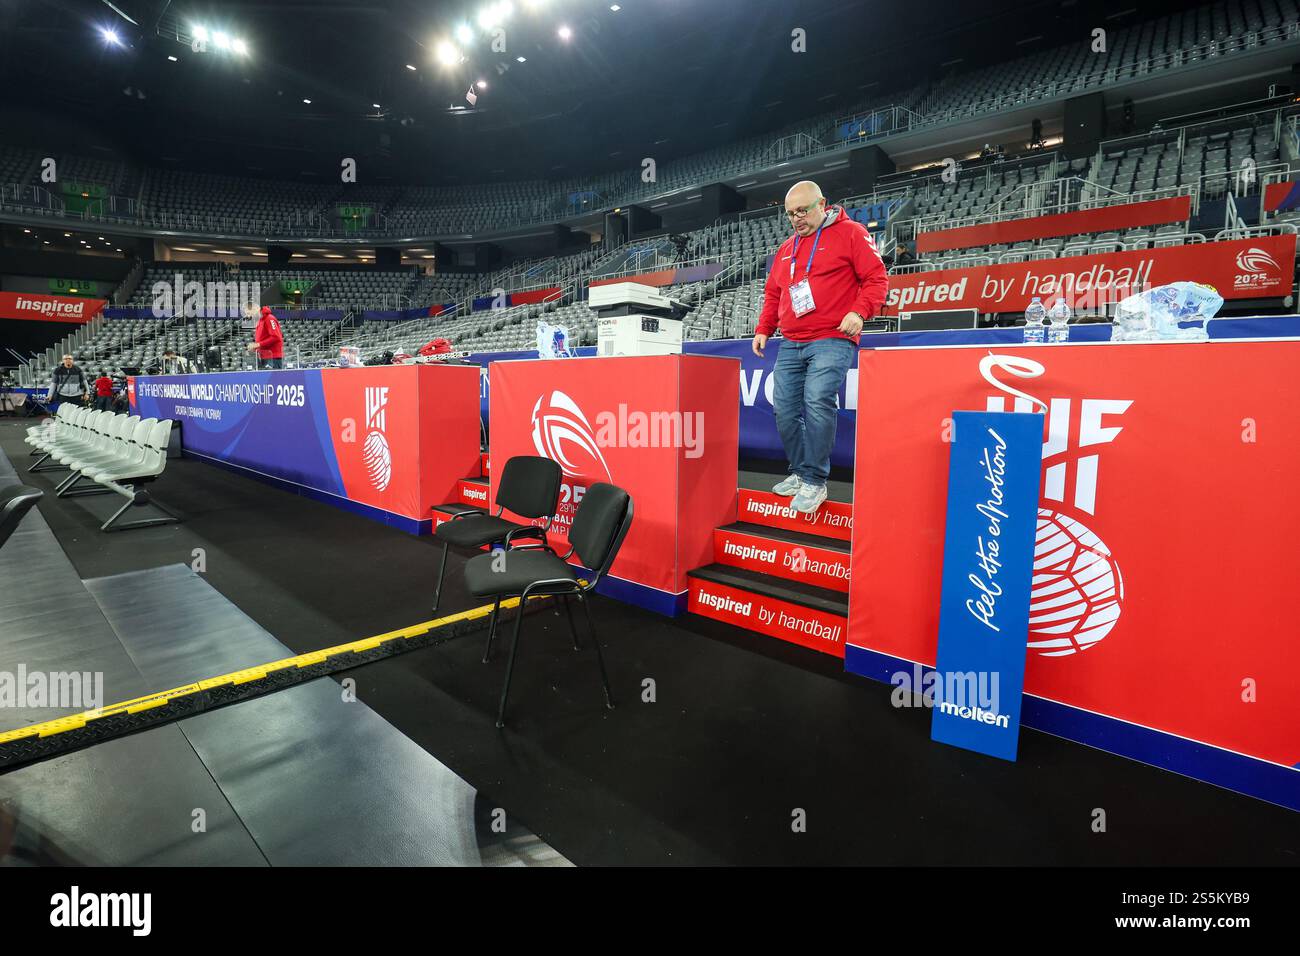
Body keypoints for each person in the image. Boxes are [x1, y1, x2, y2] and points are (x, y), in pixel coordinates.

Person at [753, 181, 888, 514]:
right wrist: (763, 329)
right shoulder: (786, 249)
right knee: (783, 409)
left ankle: (815, 481)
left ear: (822, 204)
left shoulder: (852, 233)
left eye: (803, 210)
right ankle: (801, 472)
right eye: (790, 214)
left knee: (816, 401)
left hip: (832, 336)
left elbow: (876, 277)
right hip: (792, 341)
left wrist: (860, 311)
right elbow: (774, 294)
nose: (797, 218)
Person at [247, 305, 284, 370]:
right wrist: (256, 348)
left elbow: (276, 337)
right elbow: (263, 339)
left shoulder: (269, 318)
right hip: (264, 356)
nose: (249, 316)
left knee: (275, 379)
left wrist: (258, 344)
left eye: (249, 313)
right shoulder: (260, 321)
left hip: (273, 357)